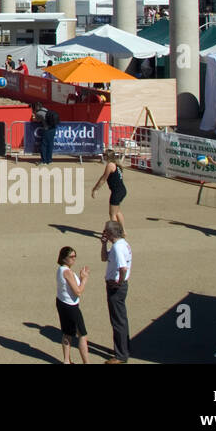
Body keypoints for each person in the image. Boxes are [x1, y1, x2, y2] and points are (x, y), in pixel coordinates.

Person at [100, 221, 132, 363]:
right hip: (119, 286)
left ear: (111, 233)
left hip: (116, 288)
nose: (103, 232)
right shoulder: (121, 244)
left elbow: (123, 268)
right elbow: (104, 258)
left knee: (117, 320)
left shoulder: (118, 248)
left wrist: (118, 283)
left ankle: (120, 355)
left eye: (105, 230)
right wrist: (103, 244)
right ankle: (123, 348)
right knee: (121, 319)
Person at [55, 246, 90, 364]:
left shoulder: (61, 270)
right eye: (71, 257)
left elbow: (71, 287)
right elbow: (78, 291)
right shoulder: (67, 272)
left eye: (75, 256)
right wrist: (84, 279)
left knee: (67, 333)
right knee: (82, 335)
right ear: (64, 258)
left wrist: (80, 277)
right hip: (71, 307)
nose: (74, 259)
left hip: (62, 303)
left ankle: (66, 361)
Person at [91, 151, 127, 232]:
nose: (103, 158)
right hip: (122, 190)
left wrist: (95, 189)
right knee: (117, 212)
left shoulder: (110, 165)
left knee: (112, 214)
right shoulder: (117, 165)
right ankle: (123, 231)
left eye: (104, 156)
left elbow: (103, 178)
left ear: (107, 157)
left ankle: (116, 232)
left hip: (117, 192)